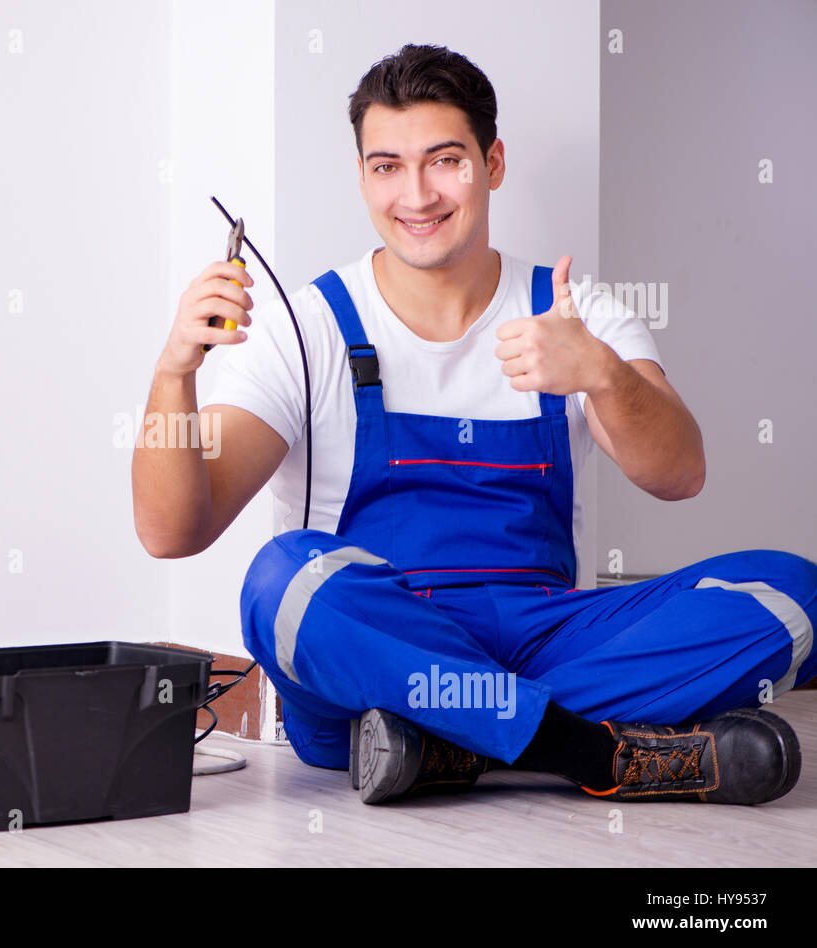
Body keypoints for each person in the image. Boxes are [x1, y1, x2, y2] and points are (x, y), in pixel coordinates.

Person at [131, 43, 815, 804]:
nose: (417, 194)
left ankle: (451, 745)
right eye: (387, 165)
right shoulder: (309, 326)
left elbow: (680, 473)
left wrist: (600, 373)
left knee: (792, 590)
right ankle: (584, 747)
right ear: (362, 176)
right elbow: (173, 531)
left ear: (492, 163)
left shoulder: (571, 314)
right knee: (282, 581)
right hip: (380, 643)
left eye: (444, 160)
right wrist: (174, 373)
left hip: (539, 635)